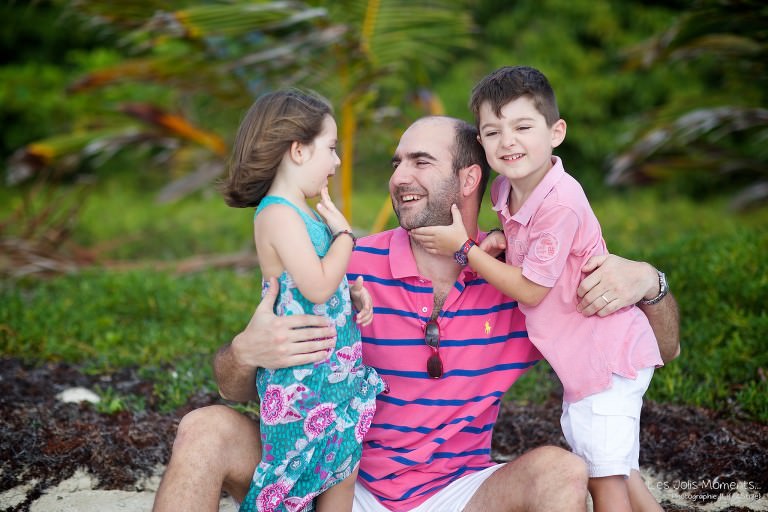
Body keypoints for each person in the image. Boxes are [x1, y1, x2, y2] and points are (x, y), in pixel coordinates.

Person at [153, 115, 680, 512]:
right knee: (206, 428)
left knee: (561, 471)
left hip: (453, 494)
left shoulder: (522, 285)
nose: (399, 176)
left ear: (470, 179)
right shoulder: (345, 265)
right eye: (396, 162)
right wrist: (245, 353)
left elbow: (662, 349)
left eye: (420, 162)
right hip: (337, 483)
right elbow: (240, 386)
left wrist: (649, 284)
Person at [410, 66, 665, 512]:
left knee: (605, 484)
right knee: (616, 469)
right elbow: (528, 242)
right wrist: (500, 239)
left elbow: (530, 291)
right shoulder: (507, 189)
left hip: (604, 356)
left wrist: (466, 250)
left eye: (523, 127)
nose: (508, 141)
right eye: (493, 132)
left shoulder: (562, 202)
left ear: (556, 132)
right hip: (585, 361)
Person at [219, 89, 385, 512]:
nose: (337, 162)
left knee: (341, 470)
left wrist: (349, 294)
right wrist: (346, 237)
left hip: (337, 381)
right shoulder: (277, 214)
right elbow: (315, 285)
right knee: (289, 488)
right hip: (303, 388)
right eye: (330, 149)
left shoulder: (306, 214)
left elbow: (314, 288)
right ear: (297, 150)